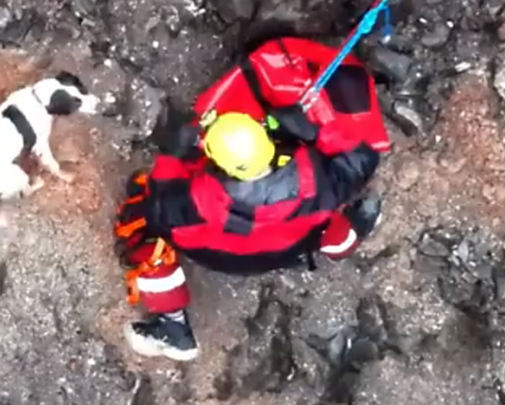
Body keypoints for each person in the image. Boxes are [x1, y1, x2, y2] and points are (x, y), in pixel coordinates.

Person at [112, 37, 391, 361]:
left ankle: (172, 326)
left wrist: (175, 156)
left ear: (217, 162)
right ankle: (345, 242)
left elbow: (159, 205)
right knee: (326, 221)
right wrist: (314, 133)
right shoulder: (318, 181)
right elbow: (362, 159)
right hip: (289, 250)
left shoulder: (199, 201)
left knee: (138, 221)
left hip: (219, 256)